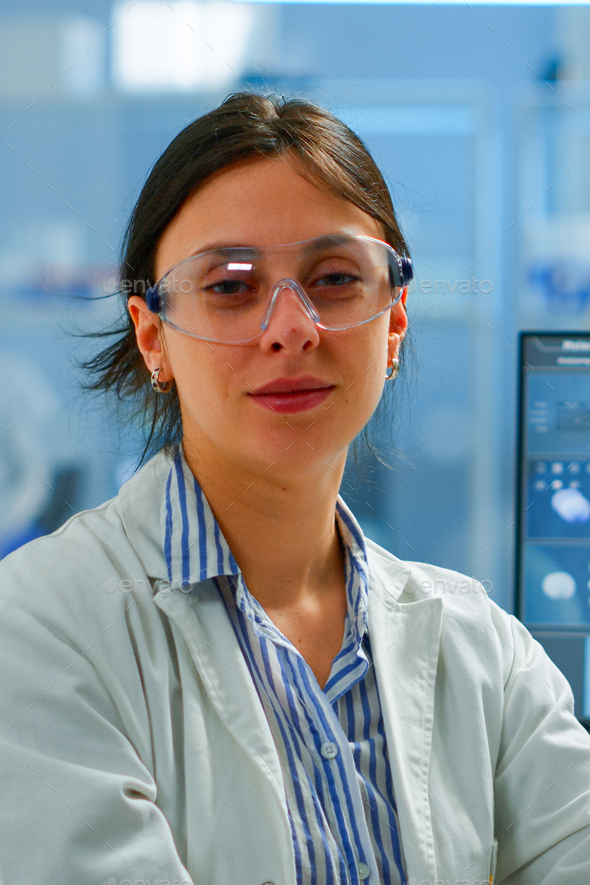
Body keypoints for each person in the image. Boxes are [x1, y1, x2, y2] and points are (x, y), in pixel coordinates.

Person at [0, 93, 589, 885]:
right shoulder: (36, 627)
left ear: (396, 320)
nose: (292, 327)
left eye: (336, 277)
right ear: (153, 337)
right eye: (232, 286)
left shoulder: (487, 652)